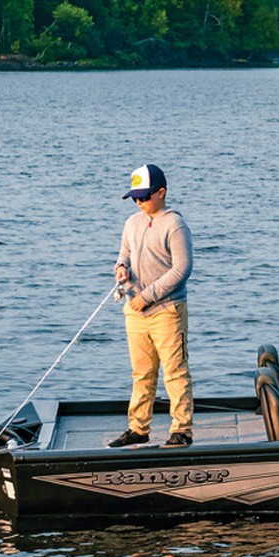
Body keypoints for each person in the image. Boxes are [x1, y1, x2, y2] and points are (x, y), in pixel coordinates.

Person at [107, 163, 195, 449]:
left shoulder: (174, 224)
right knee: (141, 373)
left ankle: (181, 430)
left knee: (174, 372)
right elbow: (125, 254)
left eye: (143, 197)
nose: (138, 202)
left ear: (161, 193)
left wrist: (150, 294)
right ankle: (138, 428)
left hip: (167, 311)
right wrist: (121, 268)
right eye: (134, 197)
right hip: (135, 311)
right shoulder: (132, 223)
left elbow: (182, 268)